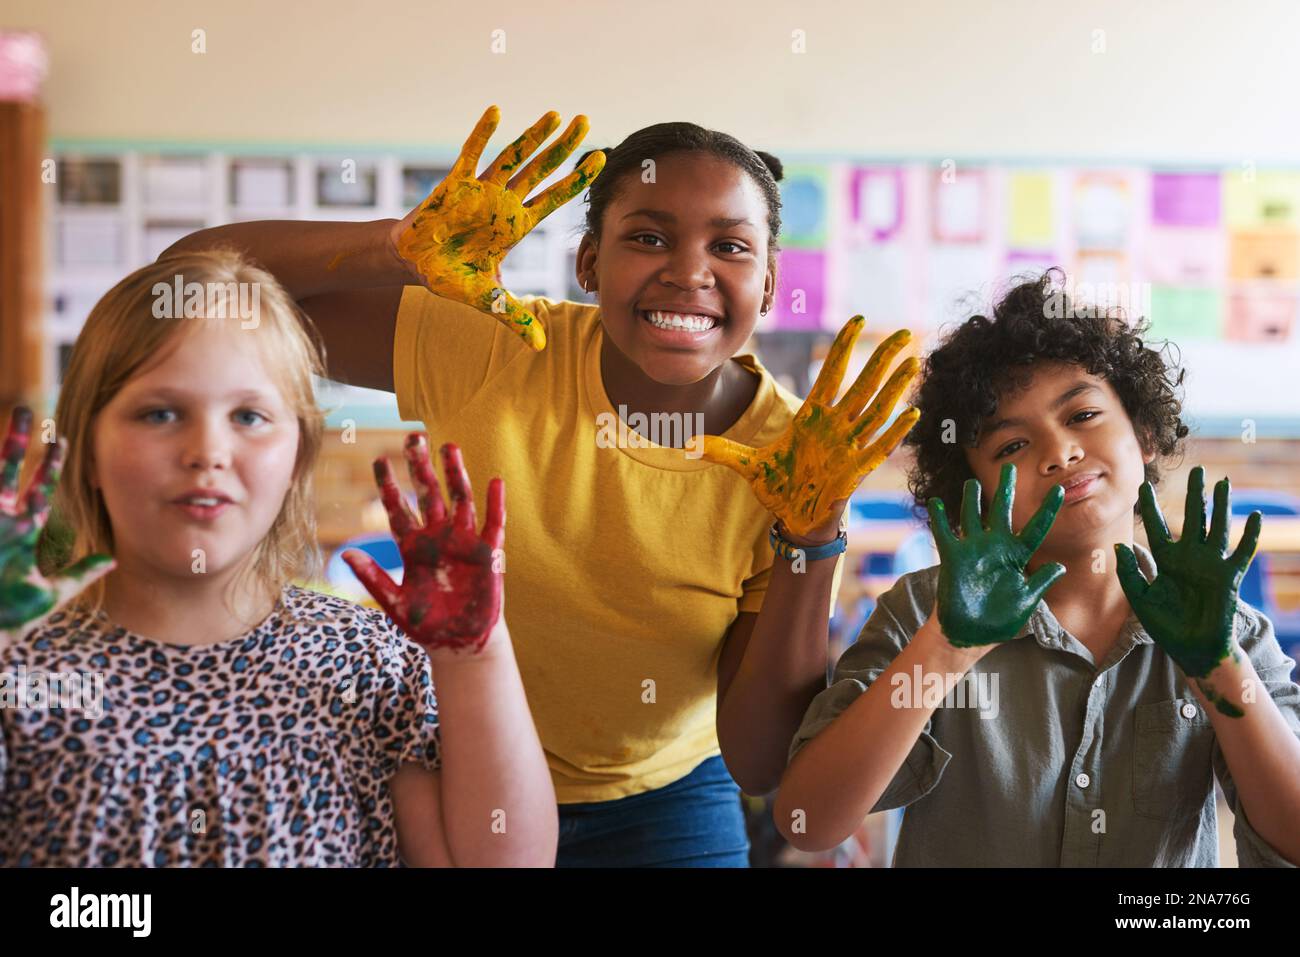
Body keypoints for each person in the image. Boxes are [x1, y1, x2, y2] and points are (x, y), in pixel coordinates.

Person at [164, 106, 919, 866]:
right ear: (589, 263)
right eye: (648, 237)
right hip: (458, 768)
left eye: (729, 246)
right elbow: (192, 291)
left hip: (664, 800)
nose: (690, 271)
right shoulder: (496, 345)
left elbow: (759, 761)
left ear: (769, 282)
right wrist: (394, 247)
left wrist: (811, 536)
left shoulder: (799, 462)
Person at [0, 250, 553, 866]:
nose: (207, 449)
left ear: (297, 456)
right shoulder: (22, 666)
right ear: (88, 452)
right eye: (160, 413)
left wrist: (474, 657)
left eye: (248, 416)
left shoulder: (366, 661)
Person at [777, 271, 1300, 866]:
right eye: (1011, 447)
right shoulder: (926, 615)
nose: (1058, 452)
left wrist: (1220, 668)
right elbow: (808, 821)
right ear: (971, 488)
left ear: (1146, 432)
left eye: (1081, 416)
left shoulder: (1228, 629)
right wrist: (945, 648)